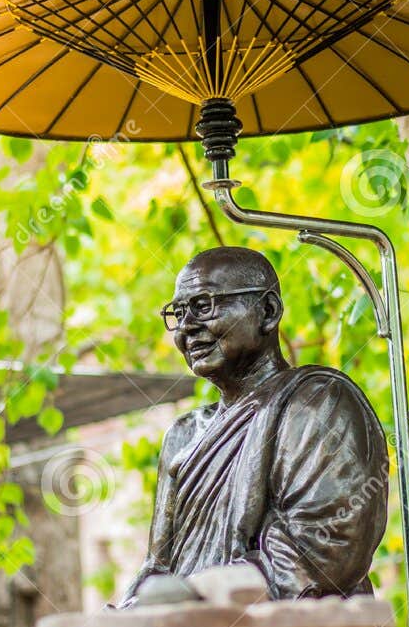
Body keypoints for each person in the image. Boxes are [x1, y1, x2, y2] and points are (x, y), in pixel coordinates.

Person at [121, 246, 389, 606]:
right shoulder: (183, 434)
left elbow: (330, 544)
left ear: (268, 311)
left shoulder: (316, 402)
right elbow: (159, 567)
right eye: (178, 313)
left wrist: (209, 593)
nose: (187, 327)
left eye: (203, 306)